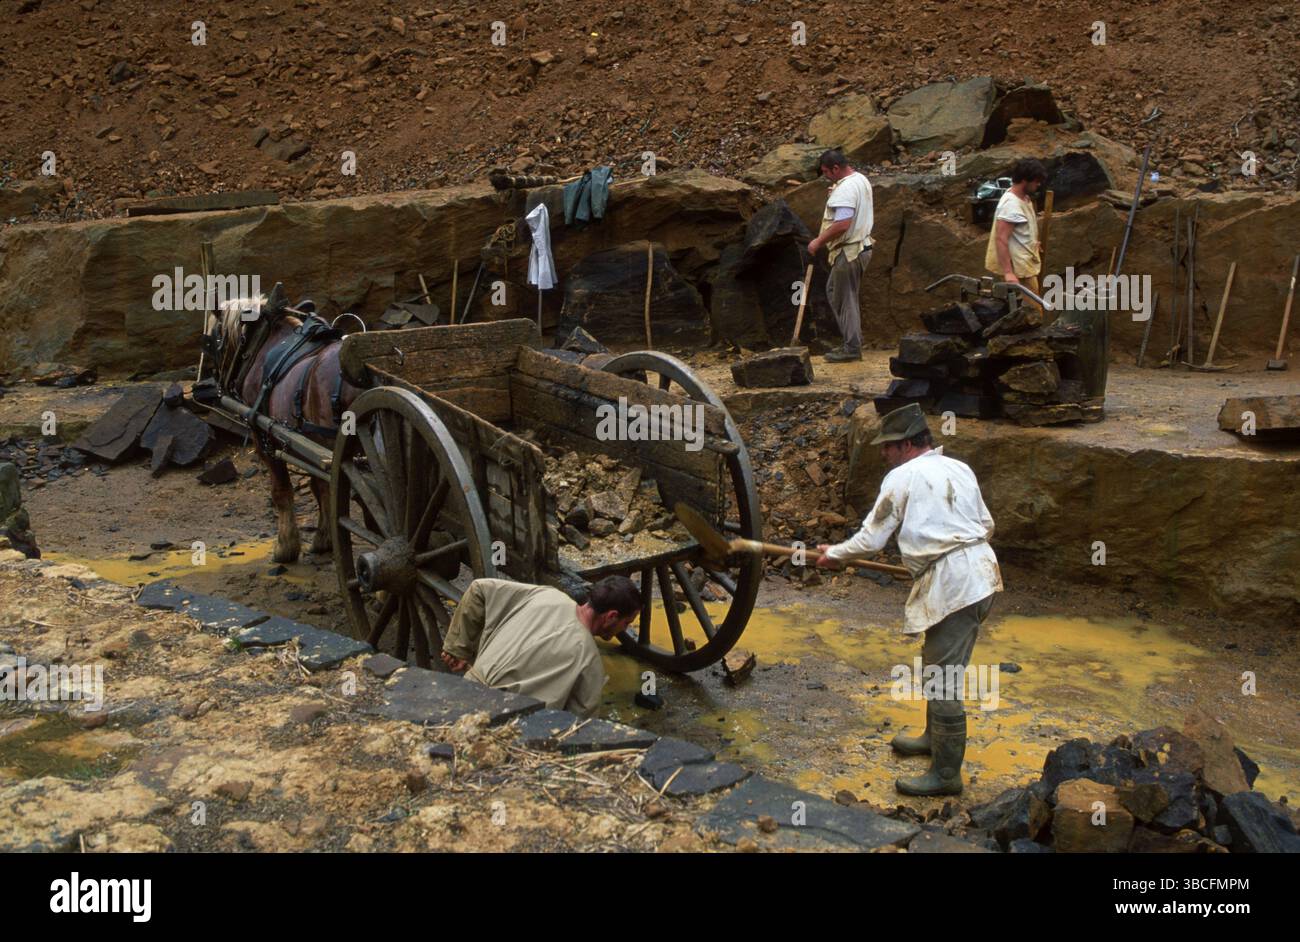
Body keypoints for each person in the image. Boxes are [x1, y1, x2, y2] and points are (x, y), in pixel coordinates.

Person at [816, 403, 1002, 796]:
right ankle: (932, 738)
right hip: (977, 573)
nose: (882, 454)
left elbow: (872, 539)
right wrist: (937, 553)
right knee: (937, 663)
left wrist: (834, 554)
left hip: (955, 583)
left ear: (907, 445)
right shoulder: (959, 468)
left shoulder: (903, 476)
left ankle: (947, 776)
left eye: (887, 446)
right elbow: (986, 525)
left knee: (943, 679)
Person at [439, 575, 640, 718]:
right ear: (611, 616)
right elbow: (580, 725)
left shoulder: (546, 595)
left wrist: (458, 649)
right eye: (626, 623)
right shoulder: (589, 660)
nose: (625, 629)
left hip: (463, 693)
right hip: (501, 723)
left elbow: (479, 588)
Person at [807, 149, 874, 362]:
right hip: (860, 247)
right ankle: (851, 343)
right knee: (837, 291)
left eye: (827, 171)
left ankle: (852, 347)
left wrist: (818, 241)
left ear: (836, 168)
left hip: (850, 250)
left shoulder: (845, 190)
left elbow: (843, 224)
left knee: (844, 298)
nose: (826, 175)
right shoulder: (859, 179)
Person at [985, 158, 1048, 320]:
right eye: (1036, 182)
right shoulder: (1010, 205)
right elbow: (1001, 239)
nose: (1038, 185)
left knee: (1030, 312)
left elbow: (1020, 231)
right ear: (1025, 180)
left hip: (1025, 263)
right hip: (1019, 270)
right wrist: (1008, 273)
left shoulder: (1024, 198)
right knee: (1032, 313)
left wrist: (1033, 242)